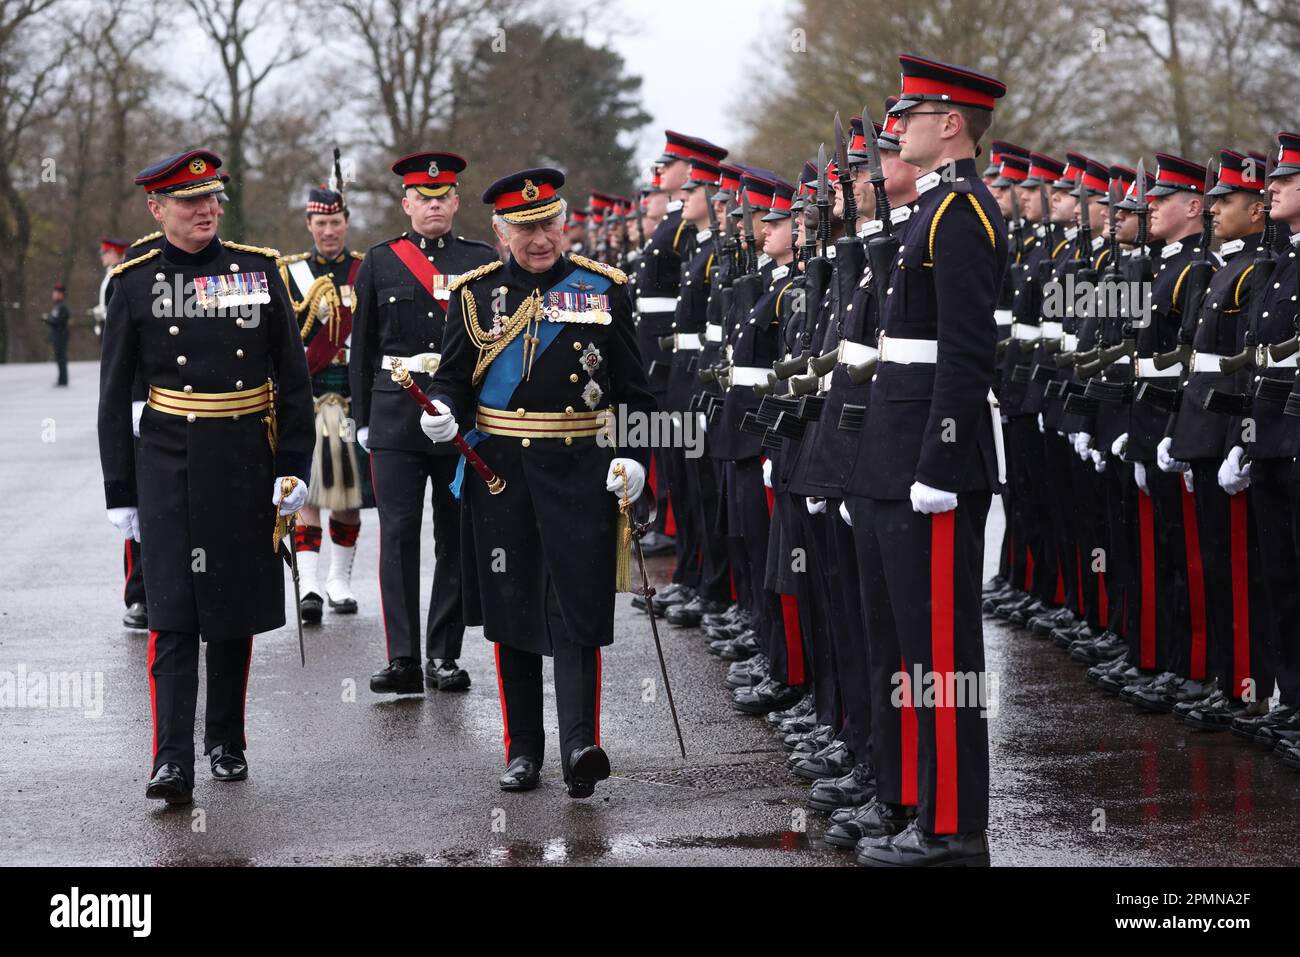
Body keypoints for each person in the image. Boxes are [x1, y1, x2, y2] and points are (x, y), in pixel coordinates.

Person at [421, 167, 655, 798]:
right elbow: (452, 379)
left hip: (582, 469)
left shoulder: (604, 289)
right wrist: (443, 415)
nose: (539, 239)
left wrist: (635, 457)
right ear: (500, 232)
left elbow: (635, 391)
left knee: (578, 609)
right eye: (524, 229)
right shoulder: (473, 295)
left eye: (548, 224)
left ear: (565, 221)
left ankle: (581, 742)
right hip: (502, 475)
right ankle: (523, 749)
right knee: (513, 610)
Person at [98, 148, 314, 805]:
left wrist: (293, 467)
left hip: (245, 454)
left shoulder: (256, 270)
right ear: (156, 208)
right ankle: (170, 759)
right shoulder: (134, 282)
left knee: (230, 606)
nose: (206, 211)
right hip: (166, 459)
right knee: (172, 610)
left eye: (212, 199)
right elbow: (112, 397)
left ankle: (225, 738)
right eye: (191, 202)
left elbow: (294, 382)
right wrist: (121, 493)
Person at [852, 54, 1008, 867]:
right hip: (894, 456)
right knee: (904, 647)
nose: (898, 125)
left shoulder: (963, 215)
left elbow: (966, 355)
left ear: (951, 124)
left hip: (932, 467)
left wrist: (940, 466)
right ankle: (914, 799)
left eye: (911, 113)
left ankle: (951, 825)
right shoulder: (930, 213)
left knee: (942, 656)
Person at [349, 151, 498, 694]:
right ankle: (403, 657)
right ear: (407, 203)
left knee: (455, 537)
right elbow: (361, 348)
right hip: (394, 417)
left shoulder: (482, 261)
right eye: (423, 198)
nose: (433, 205)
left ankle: (444, 655)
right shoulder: (380, 261)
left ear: (455, 201)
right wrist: (362, 418)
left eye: (443, 197)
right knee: (398, 535)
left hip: (459, 418)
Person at [279, 179, 366, 622]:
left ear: (346, 223)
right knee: (307, 489)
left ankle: (340, 581)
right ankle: (309, 583)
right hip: (308, 396)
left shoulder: (366, 270)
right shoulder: (289, 274)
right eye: (320, 223)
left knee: (348, 495)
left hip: (351, 398)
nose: (328, 231)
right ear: (309, 224)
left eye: (335, 222)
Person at [45, 283, 70, 386]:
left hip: (61, 335)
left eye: (56, 293)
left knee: (61, 358)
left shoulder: (62, 307)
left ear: (61, 294)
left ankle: (63, 379)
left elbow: (59, 320)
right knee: (59, 357)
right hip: (57, 334)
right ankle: (61, 378)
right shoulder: (57, 306)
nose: (53, 295)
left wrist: (49, 320)